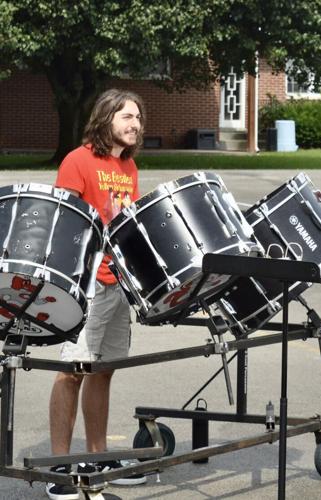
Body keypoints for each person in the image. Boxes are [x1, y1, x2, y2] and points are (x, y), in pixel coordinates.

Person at [46, 89, 147, 500]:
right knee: (72, 372)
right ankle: (60, 468)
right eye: (126, 116)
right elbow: (64, 222)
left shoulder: (129, 166)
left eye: (138, 118)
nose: (135, 124)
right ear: (105, 117)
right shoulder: (78, 160)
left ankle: (97, 455)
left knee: (104, 370)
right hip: (87, 286)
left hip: (118, 283)